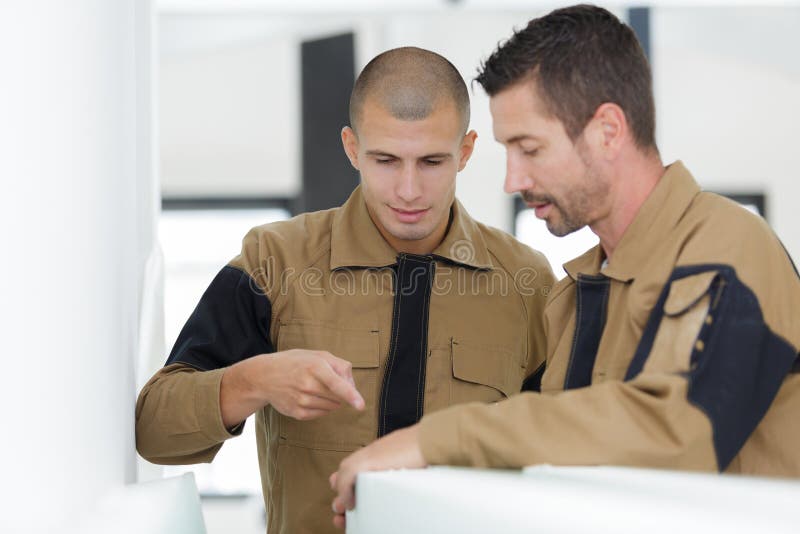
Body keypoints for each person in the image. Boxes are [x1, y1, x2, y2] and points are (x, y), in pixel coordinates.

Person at [330, 5, 800, 528]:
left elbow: (674, 433)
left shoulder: (726, 248)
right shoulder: (575, 294)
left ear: (608, 131)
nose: (512, 179)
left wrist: (435, 439)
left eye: (529, 149)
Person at [136, 46, 554, 533]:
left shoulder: (526, 283)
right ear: (352, 148)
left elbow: (567, 456)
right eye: (385, 160)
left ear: (465, 151)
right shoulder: (275, 261)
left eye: (432, 161)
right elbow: (154, 430)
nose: (409, 189)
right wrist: (256, 380)